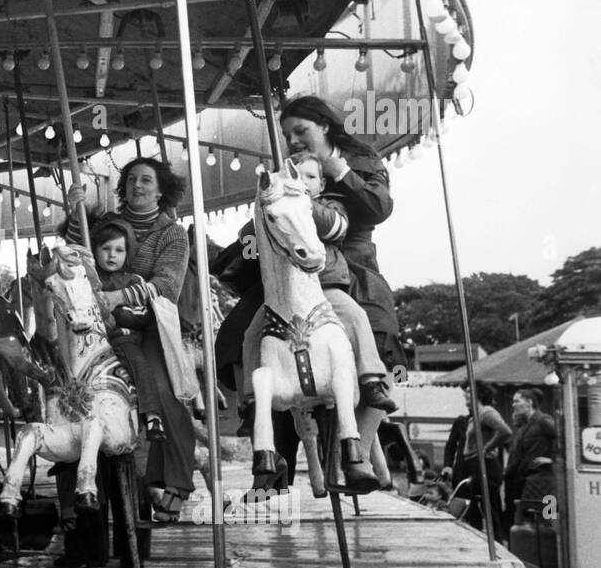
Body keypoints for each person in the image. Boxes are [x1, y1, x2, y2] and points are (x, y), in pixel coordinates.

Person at [63, 157, 196, 522]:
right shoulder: (109, 223)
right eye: (132, 179)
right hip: (101, 324)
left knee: (163, 392)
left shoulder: (172, 234)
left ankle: (176, 482)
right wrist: (76, 213)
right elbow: (81, 255)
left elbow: (167, 286)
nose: (137, 185)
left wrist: (118, 297)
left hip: (148, 324)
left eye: (146, 180)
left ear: (161, 189)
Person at [235, 152, 396, 440]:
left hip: (325, 289)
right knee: (251, 334)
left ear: (321, 184)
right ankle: (250, 400)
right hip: (286, 296)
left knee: (357, 316)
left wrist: (301, 202)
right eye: (299, 176)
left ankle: (371, 379)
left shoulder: (330, 206)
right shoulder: (282, 207)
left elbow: (337, 226)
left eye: (311, 177)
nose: (306, 183)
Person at [280, 95, 405, 369]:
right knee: (243, 330)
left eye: (301, 131)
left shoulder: (362, 160)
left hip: (355, 264)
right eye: (287, 135)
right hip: (302, 266)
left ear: (324, 126)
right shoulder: (290, 171)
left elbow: (380, 208)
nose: (293, 141)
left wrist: (343, 173)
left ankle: (378, 385)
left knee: (378, 328)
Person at [90, 216, 179, 521]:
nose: (112, 255)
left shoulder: (133, 282)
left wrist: (116, 312)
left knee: (140, 363)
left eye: (119, 250)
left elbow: (142, 316)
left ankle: (152, 416)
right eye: (106, 249)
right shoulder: (90, 282)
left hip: (125, 342)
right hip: (98, 349)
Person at [451, 382, 513, 541]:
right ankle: (481, 541)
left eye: (469, 392)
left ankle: (498, 543)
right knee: (476, 508)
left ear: (478, 394)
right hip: (475, 466)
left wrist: (486, 448)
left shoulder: (486, 412)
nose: (465, 395)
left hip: (486, 465)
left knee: (489, 508)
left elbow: (505, 431)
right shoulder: (475, 415)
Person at [505, 387, 558, 530]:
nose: (513, 404)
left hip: (545, 480)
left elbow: (564, 438)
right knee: (531, 522)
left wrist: (551, 460)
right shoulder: (526, 426)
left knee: (547, 521)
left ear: (529, 402)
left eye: (517, 401)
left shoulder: (543, 420)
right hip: (531, 480)